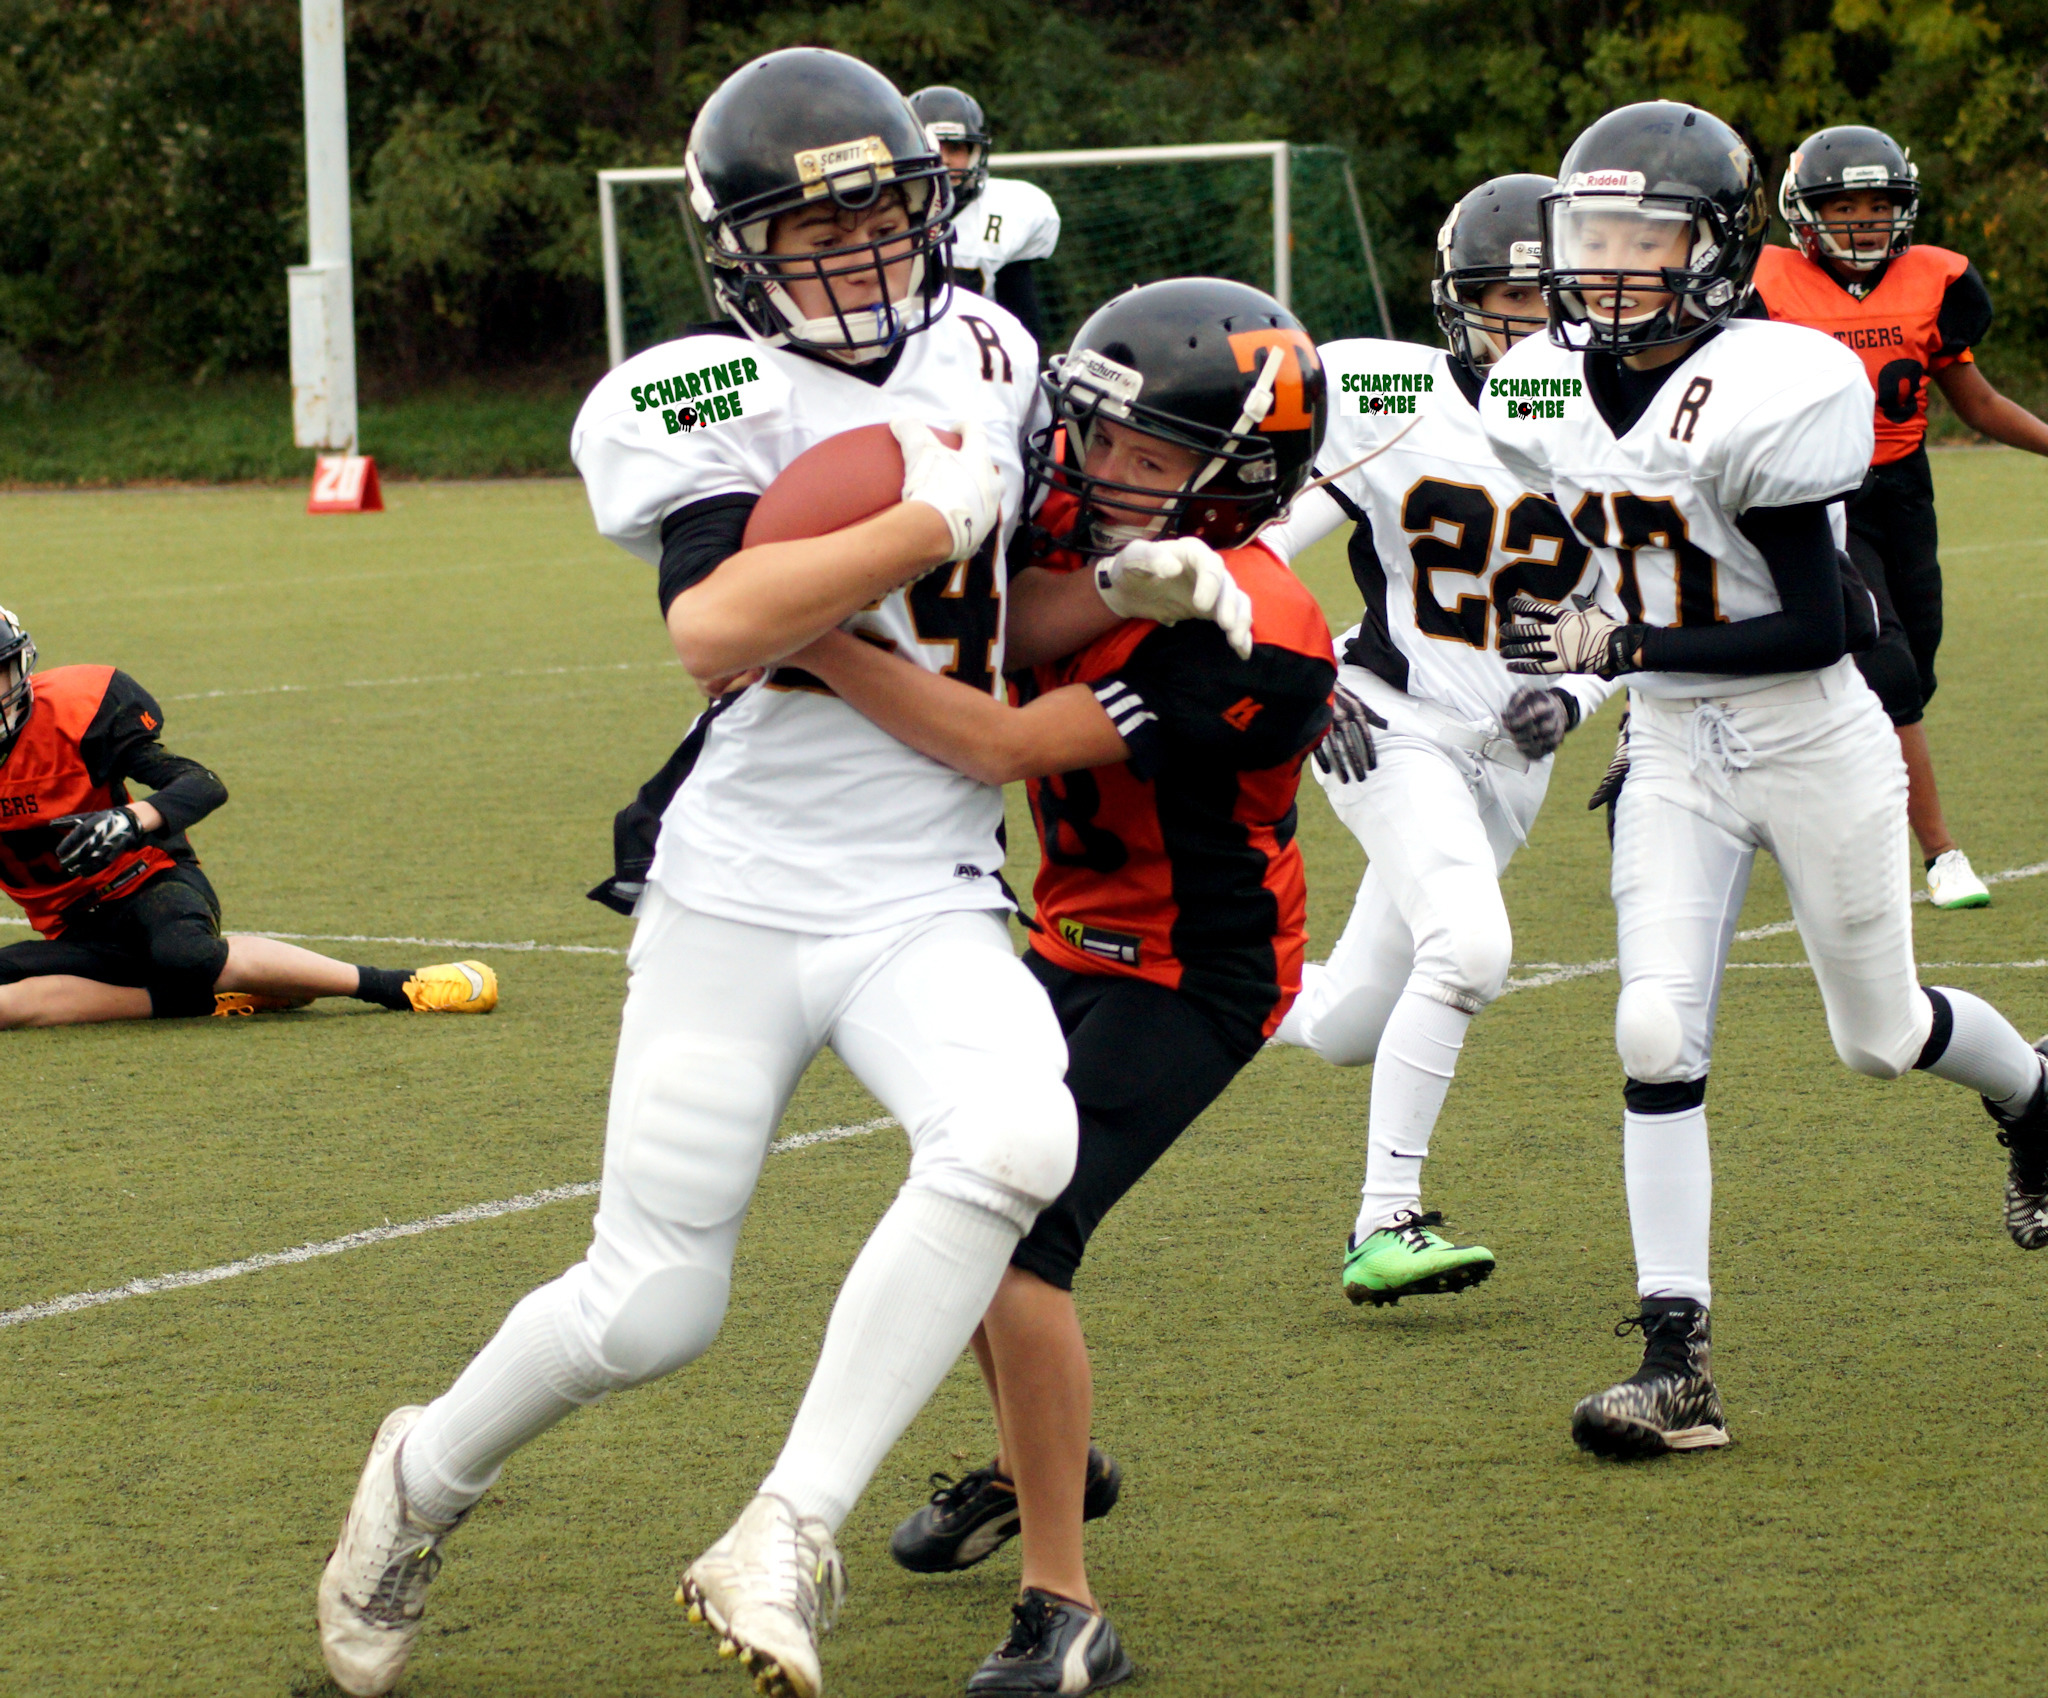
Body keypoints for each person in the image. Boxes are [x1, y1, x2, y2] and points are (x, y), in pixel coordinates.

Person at [314, 51, 1243, 1698]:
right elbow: (715, 630)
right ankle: (421, 1476)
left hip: (925, 884)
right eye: (809, 234)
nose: (856, 256)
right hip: (737, 887)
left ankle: (782, 1531)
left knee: (1018, 1132)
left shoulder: (990, 346)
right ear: (732, 252)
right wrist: (917, 516)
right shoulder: (686, 387)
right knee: (650, 1303)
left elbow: (975, 625)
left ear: (930, 205)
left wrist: (1123, 588)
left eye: (881, 214)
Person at [790, 276, 1345, 1694]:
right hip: (1062, 934)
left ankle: (1065, 1601)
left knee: (1017, 1236)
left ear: (1233, 484)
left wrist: (815, 641)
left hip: (1194, 970)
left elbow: (996, 738)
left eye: (1149, 458)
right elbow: (1027, 617)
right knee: (961, 1201)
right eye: (1098, 437)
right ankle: (1043, 1456)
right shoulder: (1112, 544)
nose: (1102, 473)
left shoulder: (1259, 631)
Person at [1480, 101, 2048, 1461]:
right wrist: (1577, 654)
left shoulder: (1774, 381)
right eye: (1593, 238)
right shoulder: (1541, 381)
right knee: (1652, 1030)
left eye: (1645, 239)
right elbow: (1607, 542)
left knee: (1879, 1034)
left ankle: (2034, 1093)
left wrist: (1618, 643)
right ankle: (1677, 1361)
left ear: (1718, 250)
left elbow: (1820, 622)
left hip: (1809, 730)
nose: (1610, 266)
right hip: (1675, 743)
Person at [1260, 174, 1615, 1306]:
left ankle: (1214, 992)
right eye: (1493, 299)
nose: (1513, 322)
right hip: (1386, 723)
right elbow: (1256, 555)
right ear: (1454, 302)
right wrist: (1309, 681)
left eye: (1534, 299)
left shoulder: (1615, 415)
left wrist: (1576, 699)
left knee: (1349, 1027)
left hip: (1507, 763)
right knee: (1466, 950)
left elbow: (1639, 612)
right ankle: (1384, 1223)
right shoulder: (1390, 394)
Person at [1752, 124, 2048, 910]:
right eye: (1842, 207)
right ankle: (1941, 853)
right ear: (1804, 213)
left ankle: (1799, 796)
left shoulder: (1936, 279)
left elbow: (1976, 404)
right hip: (1820, 495)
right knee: (1890, 669)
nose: (1862, 224)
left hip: (1906, 492)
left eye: (1877, 207)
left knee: (1916, 663)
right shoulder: (1766, 286)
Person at [0, 606, 497, 1029]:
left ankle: (397, 985)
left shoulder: (76, 710)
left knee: (182, 954)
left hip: (149, 882)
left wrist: (132, 821)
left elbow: (201, 784)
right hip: (74, 927)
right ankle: (209, 998)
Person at [910, 85, 1060, 345]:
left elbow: (1023, 325)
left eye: (954, 148)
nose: (943, 159)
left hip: (979, 352)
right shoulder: (884, 214)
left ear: (974, 154)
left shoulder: (1010, 209)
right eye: (932, 147)